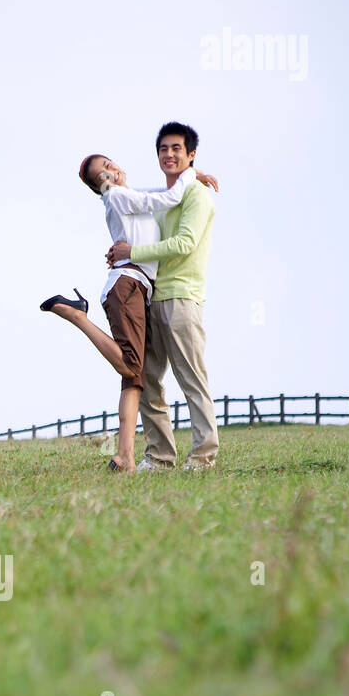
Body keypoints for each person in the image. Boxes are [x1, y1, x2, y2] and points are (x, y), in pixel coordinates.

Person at [40, 154, 216, 471]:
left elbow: (157, 196)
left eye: (109, 165)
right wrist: (190, 174)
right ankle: (78, 315)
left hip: (137, 288)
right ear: (101, 187)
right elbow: (170, 196)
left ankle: (126, 457)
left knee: (134, 378)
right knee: (132, 365)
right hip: (128, 285)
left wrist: (192, 175)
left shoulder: (129, 197)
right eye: (100, 176)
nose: (109, 173)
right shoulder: (118, 196)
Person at [107, 122, 218, 470]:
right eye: (163, 149)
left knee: (191, 379)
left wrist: (130, 251)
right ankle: (159, 457)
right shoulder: (161, 197)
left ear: (190, 155)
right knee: (148, 379)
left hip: (182, 298)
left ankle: (203, 456)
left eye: (176, 149)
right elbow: (135, 203)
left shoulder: (197, 195)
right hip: (151, 298)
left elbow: (184, 243)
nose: (169, 155)